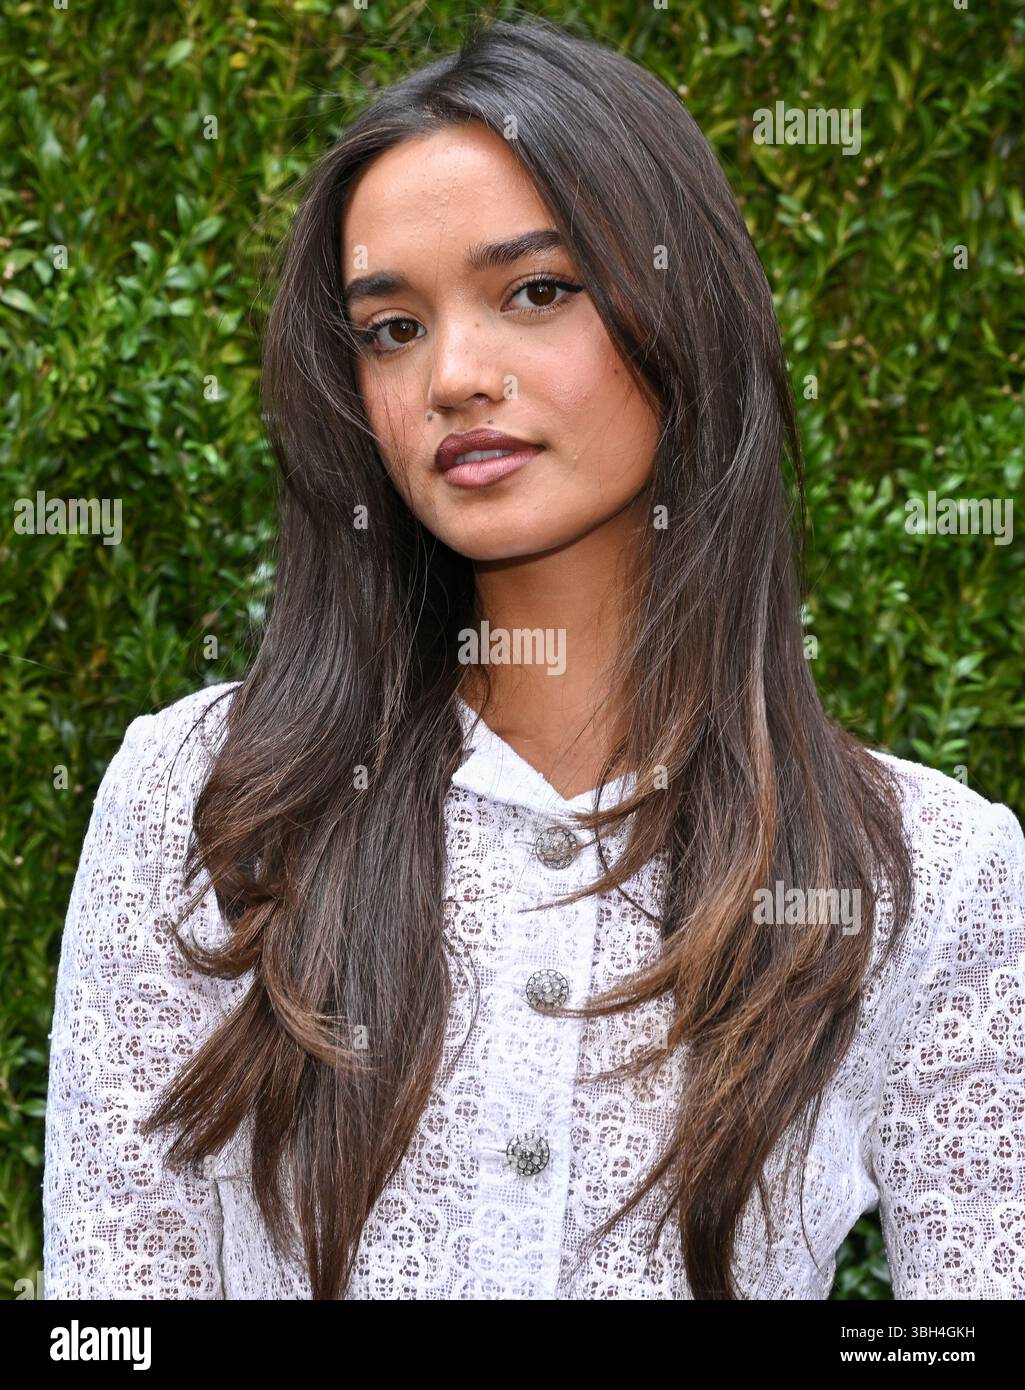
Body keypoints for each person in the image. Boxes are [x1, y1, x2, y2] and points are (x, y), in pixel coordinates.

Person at [43, 15, 1025, 1300]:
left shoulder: (925, 876)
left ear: (682, 317)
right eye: (390, 327)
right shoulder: (204, 798)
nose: (453, 375)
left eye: (535, 292)